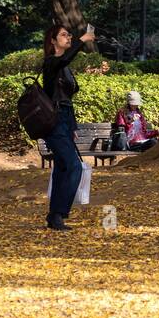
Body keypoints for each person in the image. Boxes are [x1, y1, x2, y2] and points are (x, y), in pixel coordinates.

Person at [42, 23, 95, 230]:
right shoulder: (51, 63)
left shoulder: (64, 67)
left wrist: (72, 127)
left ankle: (54, 216)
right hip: (53, 121)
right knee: (73, 166)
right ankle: (59, 213)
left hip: (65, 120)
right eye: (63, 35)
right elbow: (64, 58)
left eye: (70, 35)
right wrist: (83, 39)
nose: (68, 37)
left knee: (63, 167)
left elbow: (67, 98)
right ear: (53, 41)